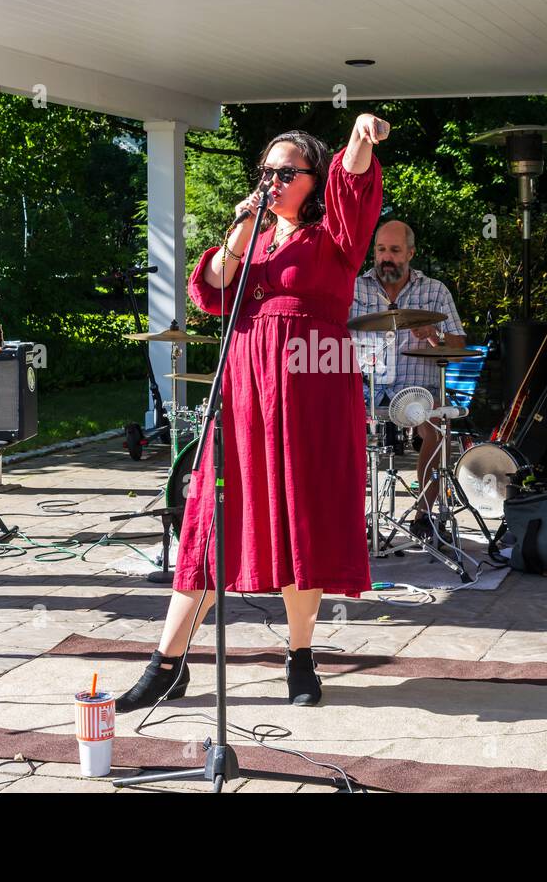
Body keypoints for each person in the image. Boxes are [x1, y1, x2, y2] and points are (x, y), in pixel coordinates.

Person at [114, 113, 389, 710]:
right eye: (266, 171)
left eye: (286, 172)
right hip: (244, 395)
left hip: (313, 393)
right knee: (210, 520)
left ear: (316, 179)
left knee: (303, 518)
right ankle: (168, 662)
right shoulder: (254, 237)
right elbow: (210, 291)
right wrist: (241, 228)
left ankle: (301, 657)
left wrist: (360, 140)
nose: (272, 180)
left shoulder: (334, 237)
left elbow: (356, 184)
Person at [349, 220, 466, 538]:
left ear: (411, 253)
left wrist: (434, 334)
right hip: (366, 386)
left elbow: (457, 348)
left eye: (395, 250)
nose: (386, 257)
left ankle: (424, 514)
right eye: (381, 249)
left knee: (439, 424)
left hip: (417, 389)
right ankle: (349, 517)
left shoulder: (435, 290)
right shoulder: (353, 287)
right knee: (333, 425)